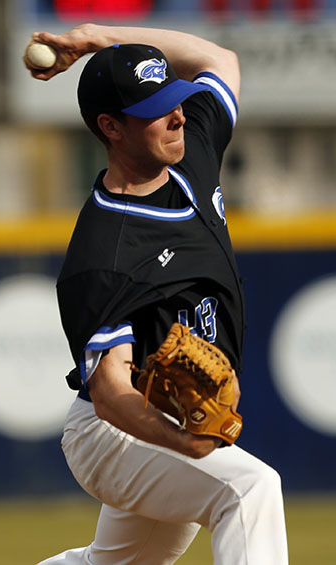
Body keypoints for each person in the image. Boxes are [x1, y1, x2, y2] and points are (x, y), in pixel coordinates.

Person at [29, 24, 288, 564]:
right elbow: (111, 393)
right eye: (155, 109)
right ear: (111, 127)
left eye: (176, 98)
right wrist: (185, 445)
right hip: (112, 434)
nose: (177, 116)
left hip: (169, 417)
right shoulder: (104, 253)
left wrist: (100, 38)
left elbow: (218, 58)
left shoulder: (192, 152)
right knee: (249, 489)